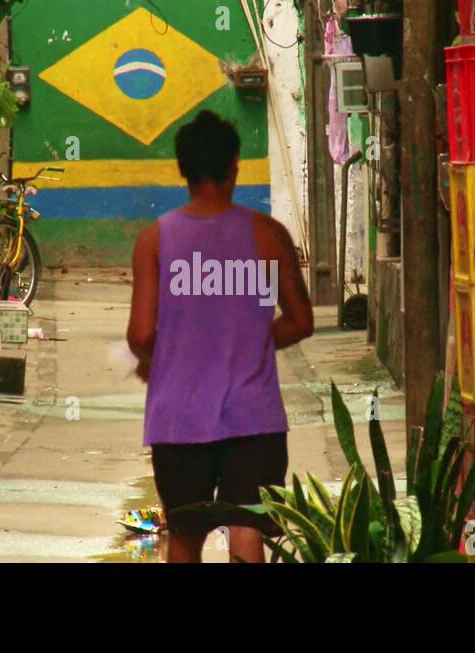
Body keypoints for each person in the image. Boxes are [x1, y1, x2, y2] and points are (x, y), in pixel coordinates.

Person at [127, 110, 314, 563]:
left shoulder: (155, 240)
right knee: (248, 526)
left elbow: (141, 333)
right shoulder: (269, 236)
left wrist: (160, 357)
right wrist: (250, 339)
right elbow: (300, 320)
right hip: (254, 417)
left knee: (186, 535)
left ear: (182, 169)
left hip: (179, 419)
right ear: (235, 165)